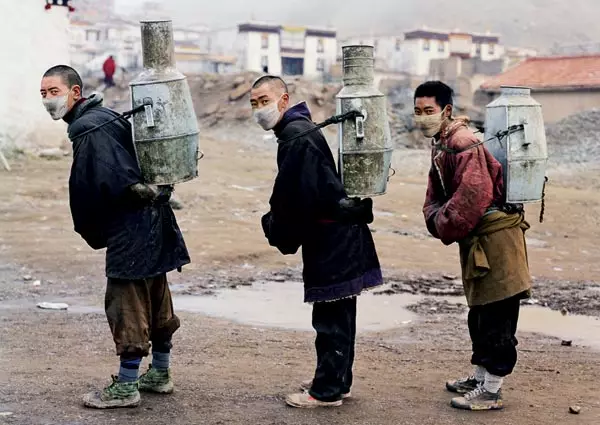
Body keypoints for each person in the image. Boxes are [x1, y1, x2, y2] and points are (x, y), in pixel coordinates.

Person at [40, 65, 190, 409]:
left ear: (75, 93)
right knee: (156, 295)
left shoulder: (87, 129)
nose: (49, 100)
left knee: (126, 301)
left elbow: (108, 179)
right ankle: (160, 373)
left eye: (54, 92)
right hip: (154, 220)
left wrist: (98, 224)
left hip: (131, 225)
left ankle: (126, 386)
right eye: (44, 94)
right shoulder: (103, 117)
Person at [250, 75, 383, 409]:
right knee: (340, 314)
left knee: (331, 318)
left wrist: (273, 227)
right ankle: (337, 381)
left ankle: (326, 392)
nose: (259, 109)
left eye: (264, 101)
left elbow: (295, 197)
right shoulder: (298, 131)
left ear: (284, 100)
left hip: (331, 238)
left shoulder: (296, 136)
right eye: (254, 103)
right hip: (337, 233)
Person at [414, 81, 532, 411]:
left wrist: (440, 221)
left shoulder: (463, 143)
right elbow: (435, 195)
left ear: (447, 111)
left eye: (429, 111)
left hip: (495, 239)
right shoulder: (443, 143)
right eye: (418, 111)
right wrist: (436, 216)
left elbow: (471, 198)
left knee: (498, 311)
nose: (422, 117)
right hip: (476, 237)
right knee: (480, 310)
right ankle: (481, 376)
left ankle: (492, 389)